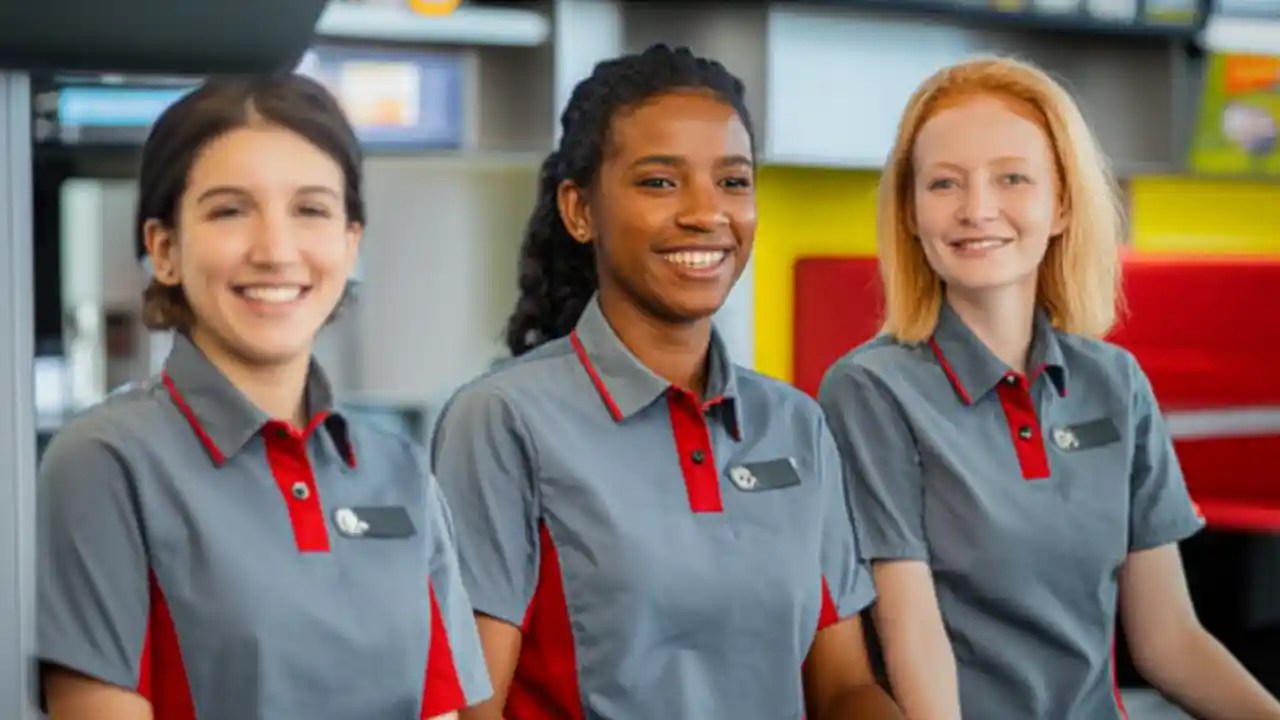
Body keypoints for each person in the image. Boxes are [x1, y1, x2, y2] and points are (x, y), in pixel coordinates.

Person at [430, 44, 901, 720]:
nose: (706, 213)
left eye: (733, 182)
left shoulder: (795, 424)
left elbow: (843, 688)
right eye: (660, 182)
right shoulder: (502, 419)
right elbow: (474, 705)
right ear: (579, 209)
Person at [818, 56, 1280, 720]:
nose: (977, 210)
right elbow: (915, 645)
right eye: (944, 184)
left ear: (1062, 203)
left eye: (1012, 178)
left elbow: (1170, 642)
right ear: (912, 214)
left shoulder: (1114, 382)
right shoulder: (869, 389)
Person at [37, 73, 491, 720]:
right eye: (229, 210)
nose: (276, 251)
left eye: (310, 210)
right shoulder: (105, 462)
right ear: (164, 250)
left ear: (349, 243)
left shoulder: (399, 472)